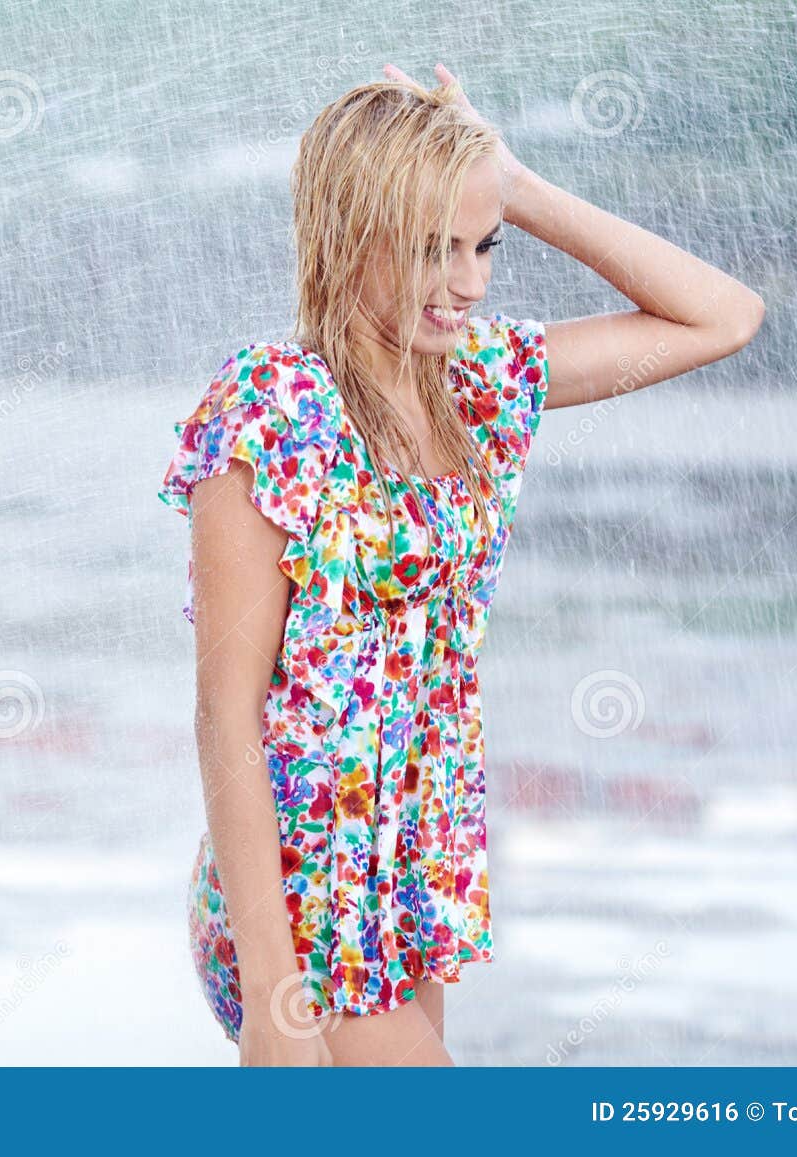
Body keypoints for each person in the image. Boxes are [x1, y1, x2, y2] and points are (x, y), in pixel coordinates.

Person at [157, 62, 764, 1067]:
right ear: (352, 233)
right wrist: (272, 993)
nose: (471, 283)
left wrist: (512, 183)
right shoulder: (272, 410)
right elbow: (227, 712)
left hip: (409, 865)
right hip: (298, 893)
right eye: (434, 248)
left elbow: (722, 316)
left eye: (485, 245)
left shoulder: (475, 380)